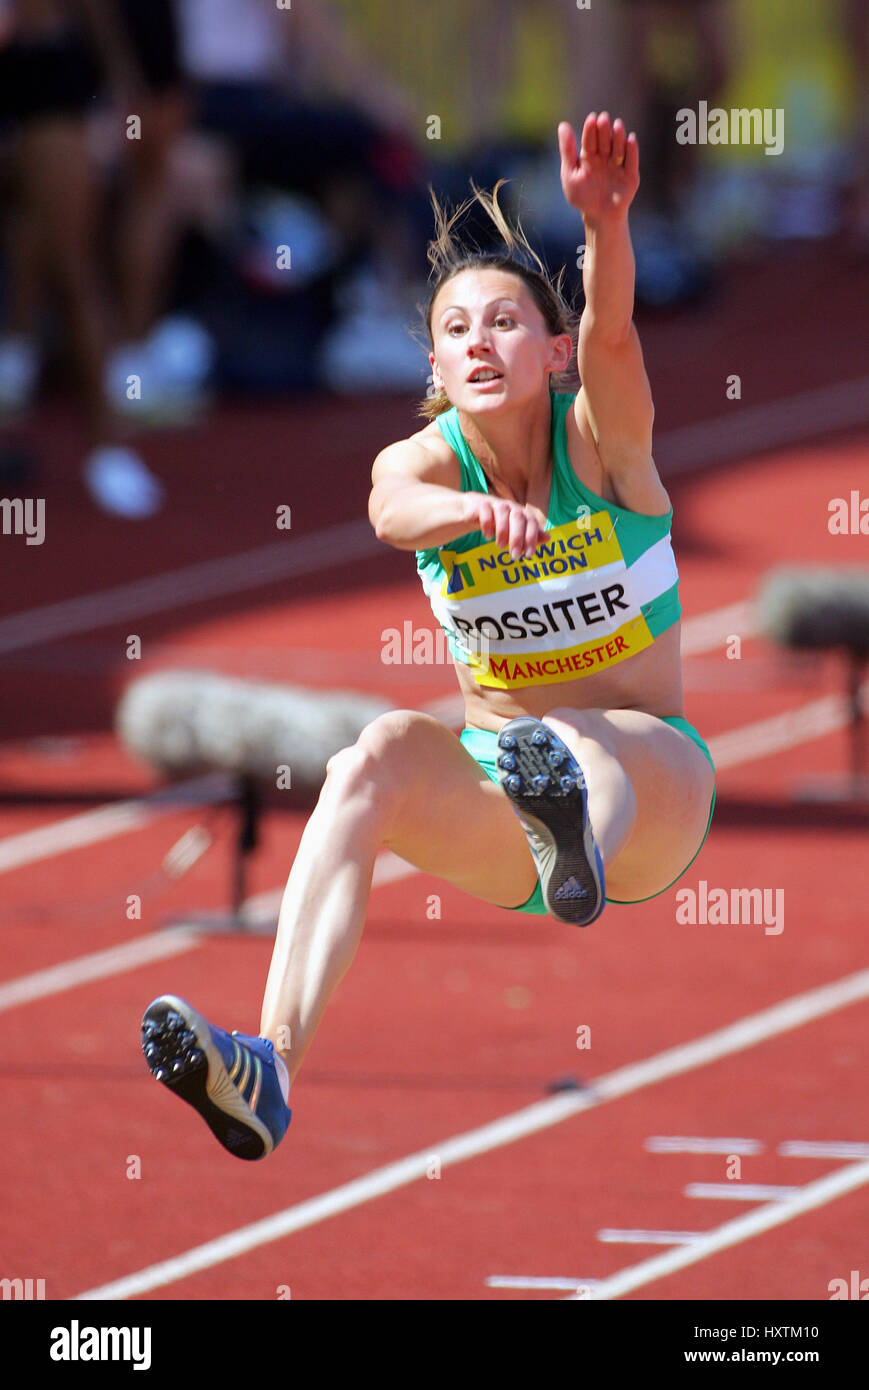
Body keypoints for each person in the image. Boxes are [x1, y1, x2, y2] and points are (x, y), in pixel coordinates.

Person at [141, 113, 716, 1161]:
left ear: (549, 351)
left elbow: (616, 337)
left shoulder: (601, 446)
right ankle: (268, 1065)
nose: (479, 342)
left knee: (586, 736)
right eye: (456, 330)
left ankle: (574, 826)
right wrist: (469, 515)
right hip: (504, 804)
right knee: (373, 758)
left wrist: (604, 227)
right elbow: (386, 508)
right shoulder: (425, 465)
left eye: (504, 323)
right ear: (435, 367)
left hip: (652, 791)